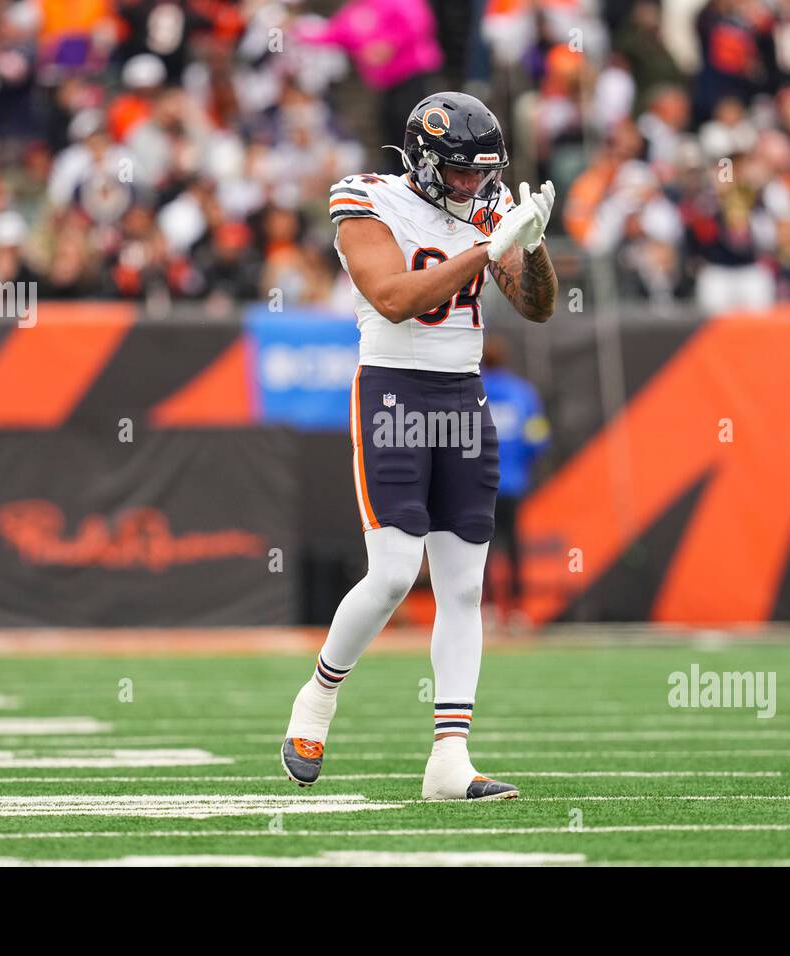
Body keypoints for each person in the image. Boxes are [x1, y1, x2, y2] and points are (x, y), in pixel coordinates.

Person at [280, 92, 558, 801]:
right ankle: (318, 697)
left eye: (482, 173)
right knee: (396, 572)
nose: (473, 185)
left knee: (464, 587)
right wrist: (485, 249)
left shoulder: (489, 212)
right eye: (460, 172)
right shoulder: (366, 197)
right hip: (394, 390)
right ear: (425, 160)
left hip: (463, 394)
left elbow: (536, 304)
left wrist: (529, 246)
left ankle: (449, 760)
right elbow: (394, 298)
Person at [480, 337, 550, 622]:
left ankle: (488, 608)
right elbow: (539, 439)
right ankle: (518, 609)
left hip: (479, 483)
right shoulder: (523, 393)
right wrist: (521, 462)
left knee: (479, 547)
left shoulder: (472, 389)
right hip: (512, 481)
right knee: (513, 545)